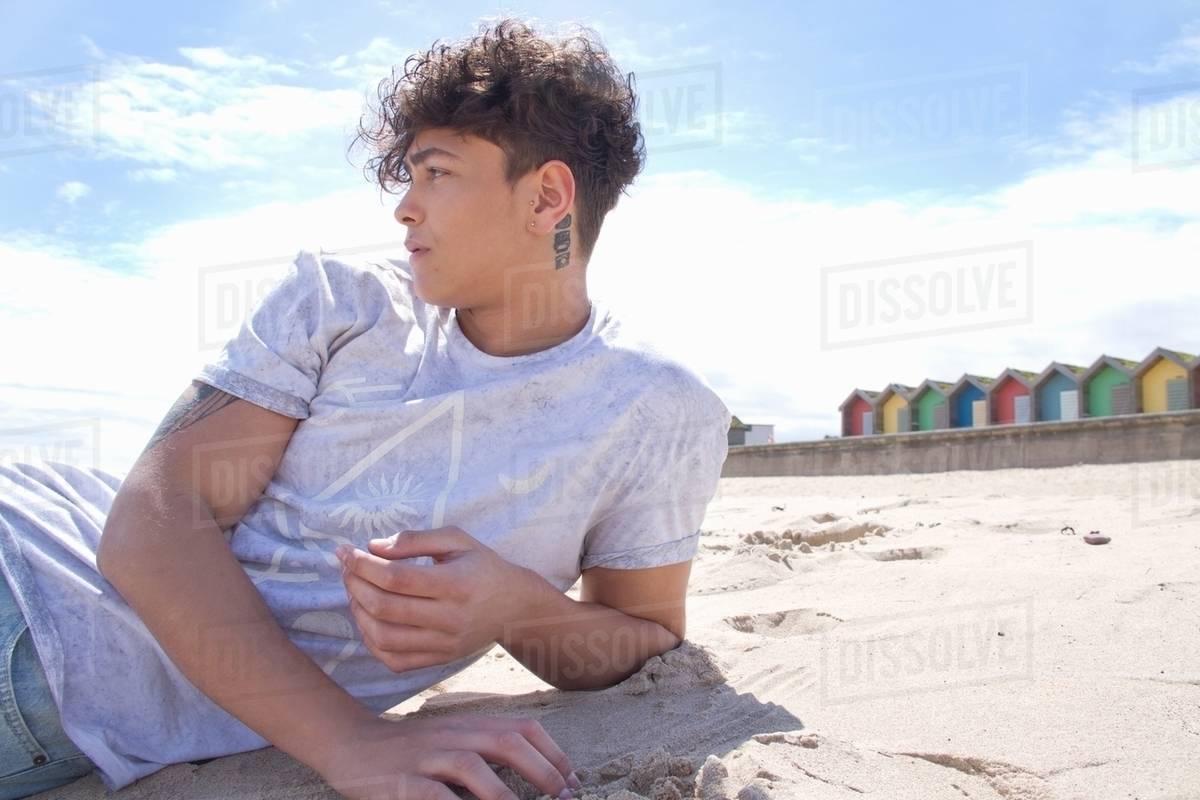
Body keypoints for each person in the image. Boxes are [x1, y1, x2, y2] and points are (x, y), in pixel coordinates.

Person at [0, 17, 730, 800]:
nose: (404, 209)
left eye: (436, 173)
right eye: (406, 178)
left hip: (72, 729)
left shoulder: (657, 410)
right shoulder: (343, 300)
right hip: (32, 587)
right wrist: (349, 741)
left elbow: (643, 639)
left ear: (547, 195)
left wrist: (516, 609)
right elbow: (154, 520)